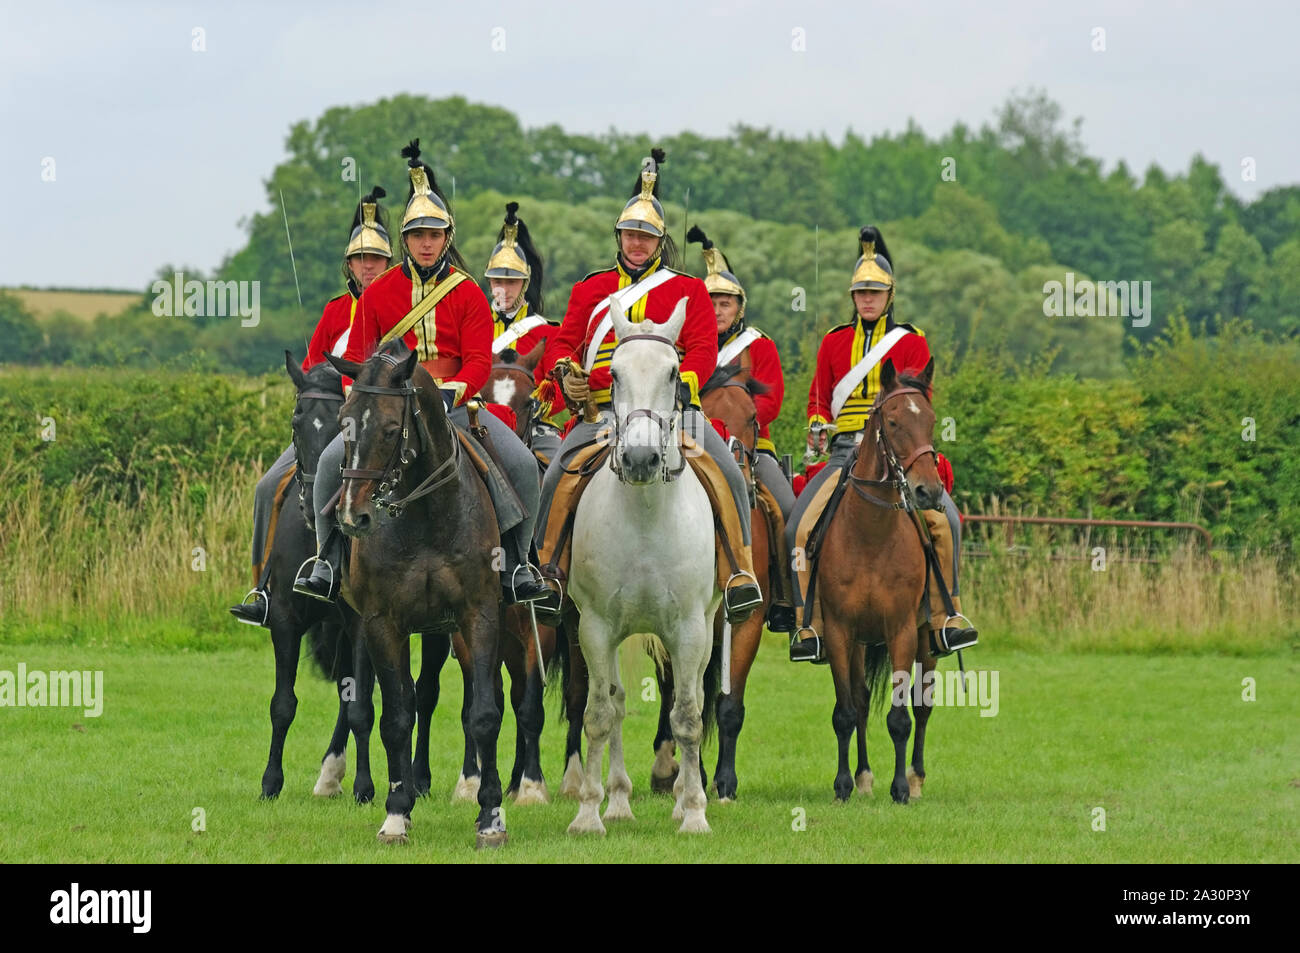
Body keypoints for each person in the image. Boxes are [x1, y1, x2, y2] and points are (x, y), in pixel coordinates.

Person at [292, 139, 549, 605]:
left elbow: (478, 361)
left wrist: (449, 395)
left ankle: (518, 563)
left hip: (454, 405)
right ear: (406, 241)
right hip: (388, 409)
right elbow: (358, 361)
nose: (426, 243)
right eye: (417, 235)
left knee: (523, 465)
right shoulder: (378, 294)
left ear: (446, 237)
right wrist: (363, 402)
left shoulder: (468, 292)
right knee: (331, 462)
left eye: (434, 234)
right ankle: (327, 560)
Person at [532, 149, 763, 624]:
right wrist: (563, 372)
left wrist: (684, 388)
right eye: (630, 234)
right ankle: (548, 571)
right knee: (556, 474)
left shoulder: (688, 290)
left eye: (647, 236)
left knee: (730, 474)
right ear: (619, 236)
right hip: (601, 413)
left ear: (659, 242)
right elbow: (563, 343)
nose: (637, 242)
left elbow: (700, 349)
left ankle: (740, 570)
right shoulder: (590, 289)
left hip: (671, 411)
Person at [785, 226, 978, 662]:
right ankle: (808, 623)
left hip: (898, 452)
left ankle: (949, 616)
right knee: (797, 528)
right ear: (853, 297)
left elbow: (916, 403)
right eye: (860, 292)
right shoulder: (834, 341)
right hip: (845, 452)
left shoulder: (911, 341)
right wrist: (818, 423)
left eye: (875, 292)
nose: (867, 299)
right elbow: (820, 393)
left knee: (947, 522)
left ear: (890, 296)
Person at [230, 185, 391, 626]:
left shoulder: (399, 308)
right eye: (360, 259)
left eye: (375, 259)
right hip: (326, 423)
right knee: (267, 487)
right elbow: (310, 367)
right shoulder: (336, 310)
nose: (368, 267)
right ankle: (263, 587)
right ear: (350, 266)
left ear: (389, 263)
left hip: (372, 427)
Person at [687, 223, 797, 632]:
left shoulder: (759, 346)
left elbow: (771, 401)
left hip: (751, 447)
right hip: (692, 440)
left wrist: (740, 426)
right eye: (711, 301)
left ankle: (786, 600)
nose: (718, 309)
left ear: (740, 307)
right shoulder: (685, 344)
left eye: (726, 302)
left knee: (787, 511)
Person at [482, 201, 563, 461]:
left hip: (534, 425)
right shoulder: (474, 326)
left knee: (559, 472)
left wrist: (536, 405)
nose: (503, 289)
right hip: (479, 423)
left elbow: (559, 388)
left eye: (511, 281)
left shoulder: (548, 332)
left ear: (525, 283)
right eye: (497, 281)